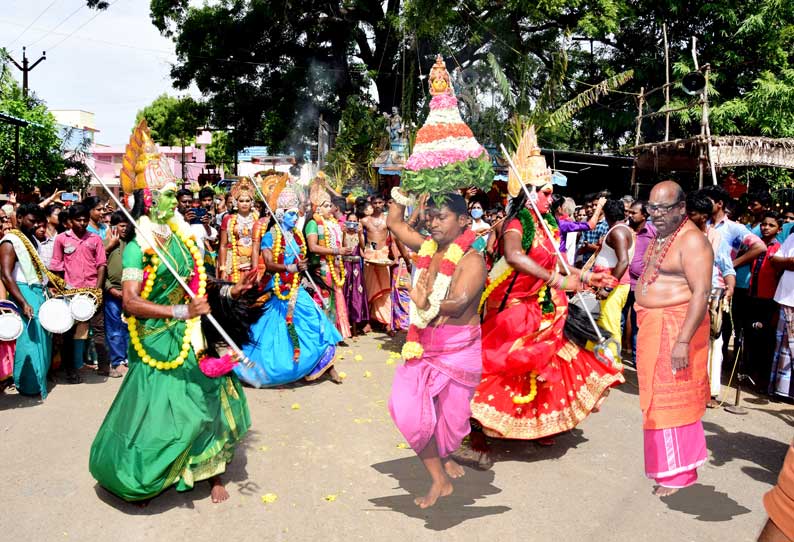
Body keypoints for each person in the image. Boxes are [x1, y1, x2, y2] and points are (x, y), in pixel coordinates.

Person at [89, 121, 250, 504]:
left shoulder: (181, 239)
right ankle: (145, 472)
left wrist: (229, 290)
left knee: (211, 396)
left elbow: (198, 284)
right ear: (147, 200)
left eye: (173, 193)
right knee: (162, 412)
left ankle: (211, 471)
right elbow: (130, 302)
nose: (174, 200)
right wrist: (180, 310)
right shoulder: (135, 248)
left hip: (190, 334)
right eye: (165, 194)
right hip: (154, 340)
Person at [470, 127, 624, 459]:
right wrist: (555, 279)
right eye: (546, 192)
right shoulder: (516, 224)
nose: (551, 199)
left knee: (550, 363)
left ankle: (540, 423)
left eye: (551, 193)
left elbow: (562, 267)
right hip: (513, 307)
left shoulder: (550, 225)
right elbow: (514, 256)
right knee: (503, 364)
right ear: (530, 194)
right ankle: (477, 426)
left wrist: (590, 278)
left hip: (545, 304)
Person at [387, 191, 486, 508]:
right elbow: (395, 223)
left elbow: (457, 304)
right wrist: (404, 189)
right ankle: (438, 478)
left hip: (458, 348)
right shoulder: (427, 247)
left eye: (441, 217)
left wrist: (426, 302)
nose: (432, 223)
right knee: (404, 408)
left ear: (463, 220)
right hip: (423, 345)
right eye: (429, 217)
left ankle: (444, 456)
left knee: (449, 422)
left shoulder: (472, 260)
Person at [634, 180, 712, 497]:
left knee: (671, 402)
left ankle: (679, 474)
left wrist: (682, 342)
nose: (656, 214)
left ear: (681, 207)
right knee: (655, 399)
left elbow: (701, 292)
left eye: (664, 208)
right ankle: (669, 469)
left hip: (675, 329)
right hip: (654, 325)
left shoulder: (692, 240)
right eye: (652, 208)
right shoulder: (662, 235)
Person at [234, 182, 343, 387]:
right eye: (291, 214)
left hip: (296, 287)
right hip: (277, 289)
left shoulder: (297, 235)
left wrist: (303, 267)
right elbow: (269, 264)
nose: (296, 218)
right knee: (271, 331)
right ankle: (269, 369)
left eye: (296, 214)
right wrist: (291, 267)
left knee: (317, 320)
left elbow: (302, 257)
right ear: (281, 215)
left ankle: (327, 366)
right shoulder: (270, 236)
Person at [686, 191, 736, 407]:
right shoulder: (679, 235)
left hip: (711, 297)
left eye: (692, 214)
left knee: (712, 345)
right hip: (682, 296)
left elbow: (728, 268)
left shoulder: (716, 238)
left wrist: (729, 288)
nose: (687, 217)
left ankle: (709, 391)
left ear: (703, 216)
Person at [50, 203, 108, 378]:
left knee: (99, 329)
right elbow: (56, 266)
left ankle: (104, 367)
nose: (82, 223)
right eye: (78, 220)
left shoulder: (95, 239)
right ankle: (70, 371)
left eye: (85, 220)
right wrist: (61, 289)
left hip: (93, 291)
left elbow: (101, 265)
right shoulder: (61, 239)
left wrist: (97, 290)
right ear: (70, 221)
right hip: (71, 293)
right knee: (68, 331)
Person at [0, 204, 52, 396]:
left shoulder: (30, 239)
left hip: (38, 292)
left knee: (42, 338)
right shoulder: (10, 242)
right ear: (19, 218)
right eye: (31, 221)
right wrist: (23, 302)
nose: (35, 225)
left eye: (38, 221)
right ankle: (28, 384)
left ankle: (39, 381)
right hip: (23, 292)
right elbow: (6, 276)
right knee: (30, 340)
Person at [589, 199, 634, 361]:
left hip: (615, 286)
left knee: (610, 325)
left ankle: (614, 363)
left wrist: (608, 287)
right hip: (611, 284)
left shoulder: (618, 232)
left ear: (606, 214)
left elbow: (623, 262)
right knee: (604, 323)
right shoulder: (618, 229)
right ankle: (604, 361)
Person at [305, 180, 352, 339]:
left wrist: (345, 235)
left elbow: (340, 244)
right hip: (321, 267)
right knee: (323, 298)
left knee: (334, 299)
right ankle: (322, 333)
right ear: (317, 208)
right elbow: (313, 247)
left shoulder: (333, 223)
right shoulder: (313, 224)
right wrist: (336, 251)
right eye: (326, 206)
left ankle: (334, 333)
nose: (330, 209)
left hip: (335, 267)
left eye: (330, 205)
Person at [746, 212, 783, 393]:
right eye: (764, 224)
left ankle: (762, 380)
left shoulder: (779, 250)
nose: (766, 228)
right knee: (750, 336)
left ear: (779, 229)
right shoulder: (755, 245)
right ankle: (748, 374)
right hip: (752, 296)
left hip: (769, 300)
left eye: (771, 225)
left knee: (766, 341)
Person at [217, 179, 268, 282]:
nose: (244, 204)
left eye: (247, 201)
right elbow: (223, 245)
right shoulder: (228, 220)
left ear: (252, 203)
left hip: (253, 263)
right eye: (241, 201)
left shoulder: (257, 220)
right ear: (236, 202)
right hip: (234, 263)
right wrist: (223, 268)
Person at [624, 200, 656, 360]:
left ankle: (638, 360)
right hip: (623, 283)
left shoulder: (654, 232)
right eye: (628, 212)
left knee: (638, 323)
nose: (629, 215)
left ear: (644, 215)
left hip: (642, 286)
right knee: (618, 320)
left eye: (633, 213)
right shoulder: (624, 230)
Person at [103, 211, 133, 378]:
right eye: (122, 225)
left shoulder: (134, 244)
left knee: (130, 327)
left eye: (127, 225)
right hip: (112, 293)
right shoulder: (106, 244)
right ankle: (118, 360)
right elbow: (100, 268)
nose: (125, 229)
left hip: (132, 293)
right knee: (114, 329)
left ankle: (129, 358)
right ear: (113, 227)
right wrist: (110, 289)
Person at [361, 194, 393, 331]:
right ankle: (368, 322)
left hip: (383, 256)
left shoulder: (388, 220)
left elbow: (394, 239)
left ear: (383, 203)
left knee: (385, 289)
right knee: (369, 289)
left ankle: (387, 322)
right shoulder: (364, 221)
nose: (378, 205)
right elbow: (359, 240)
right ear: (371, 204)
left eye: (380, 202)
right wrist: (363, 253)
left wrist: (395, 257)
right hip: (369, 255)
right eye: (375, 203)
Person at [342, 212, 369, 337]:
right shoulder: (343, 233)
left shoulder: (360, 234)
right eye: (350, 221)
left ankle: (356, 326)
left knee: (356, 295)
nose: (352, 224)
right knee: (346, 293)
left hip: (357, 267)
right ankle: (345, 326)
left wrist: (360, 233)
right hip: (346, 266)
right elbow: (343, 246)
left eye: (354, 221)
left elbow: (362, 247)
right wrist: (343, 233)